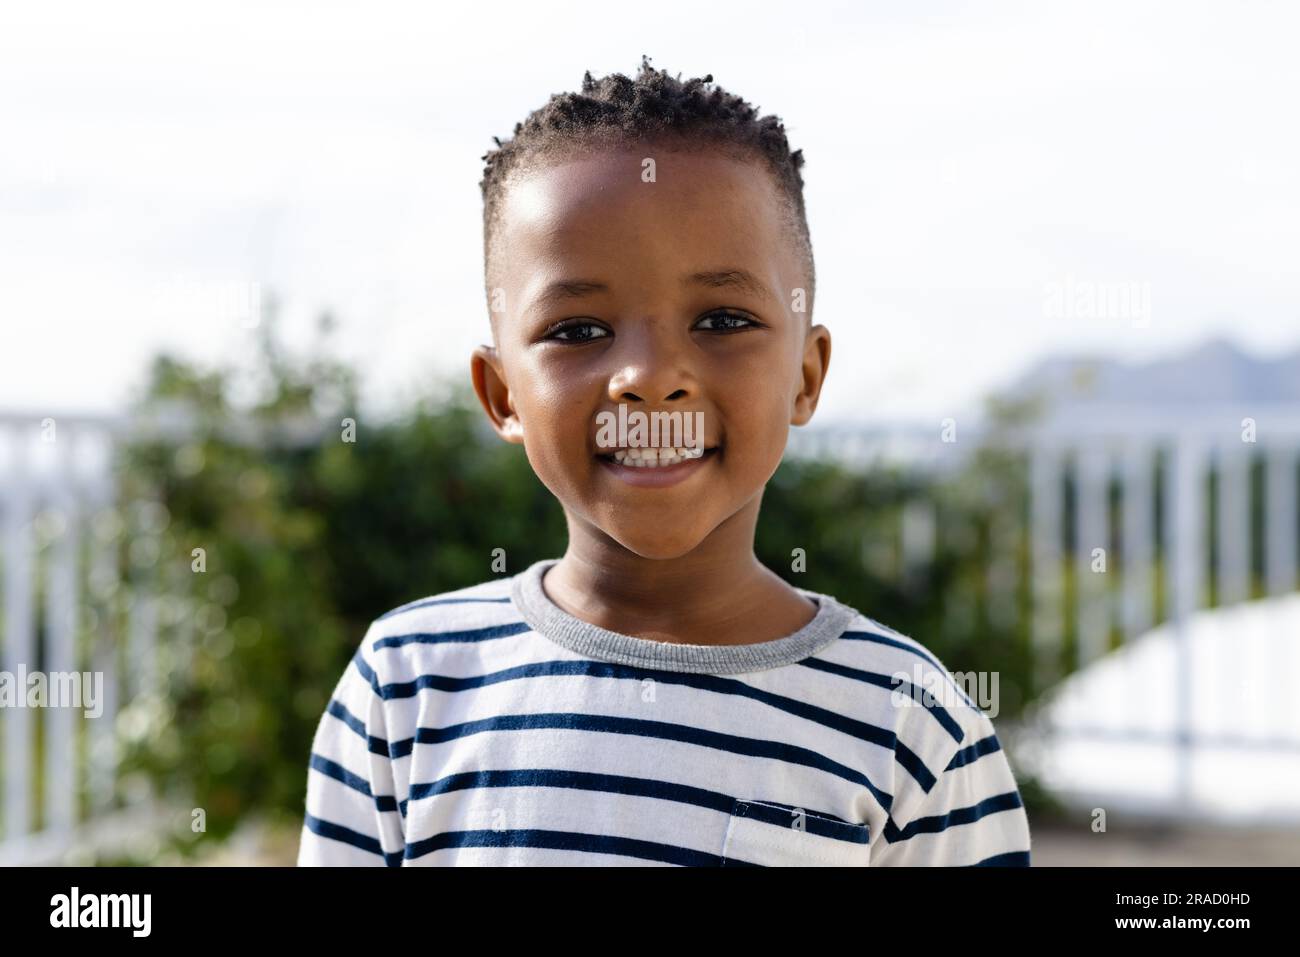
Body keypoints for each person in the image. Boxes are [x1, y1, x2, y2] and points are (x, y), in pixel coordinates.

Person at [298, 56, 1031, 866]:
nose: (648, 378)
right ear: (502, 393)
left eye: (721, 318)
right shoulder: (407, 686)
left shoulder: (911, 725)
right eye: (577, 329)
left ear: (805, 375)